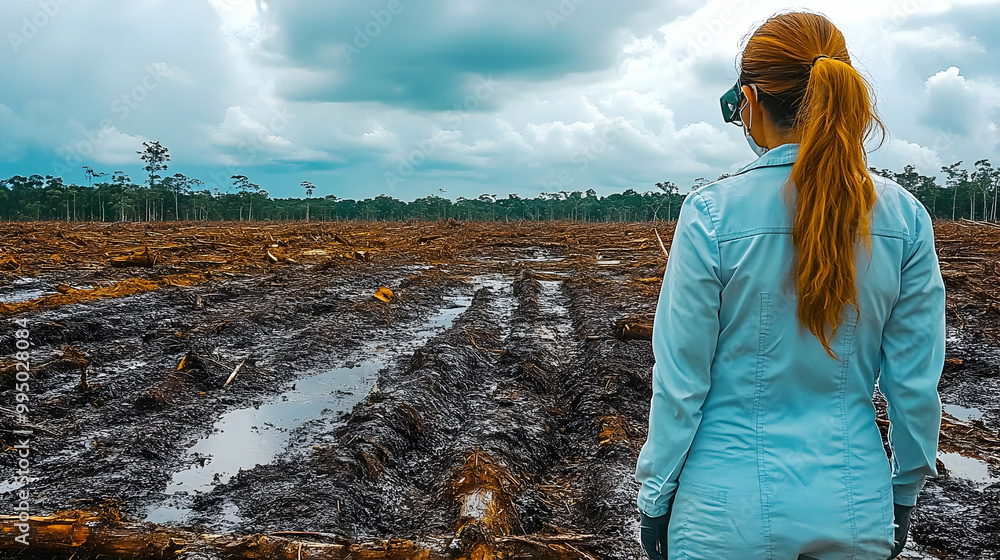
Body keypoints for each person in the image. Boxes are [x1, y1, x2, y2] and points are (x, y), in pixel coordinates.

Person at [633, 11, 945, 560]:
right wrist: (903, 492)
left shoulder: (709, 213)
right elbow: (914, 387)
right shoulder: (906, 217)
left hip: (718, 513)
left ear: (749, 100)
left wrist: (655, 498)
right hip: (854, 504)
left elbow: (680, 381)